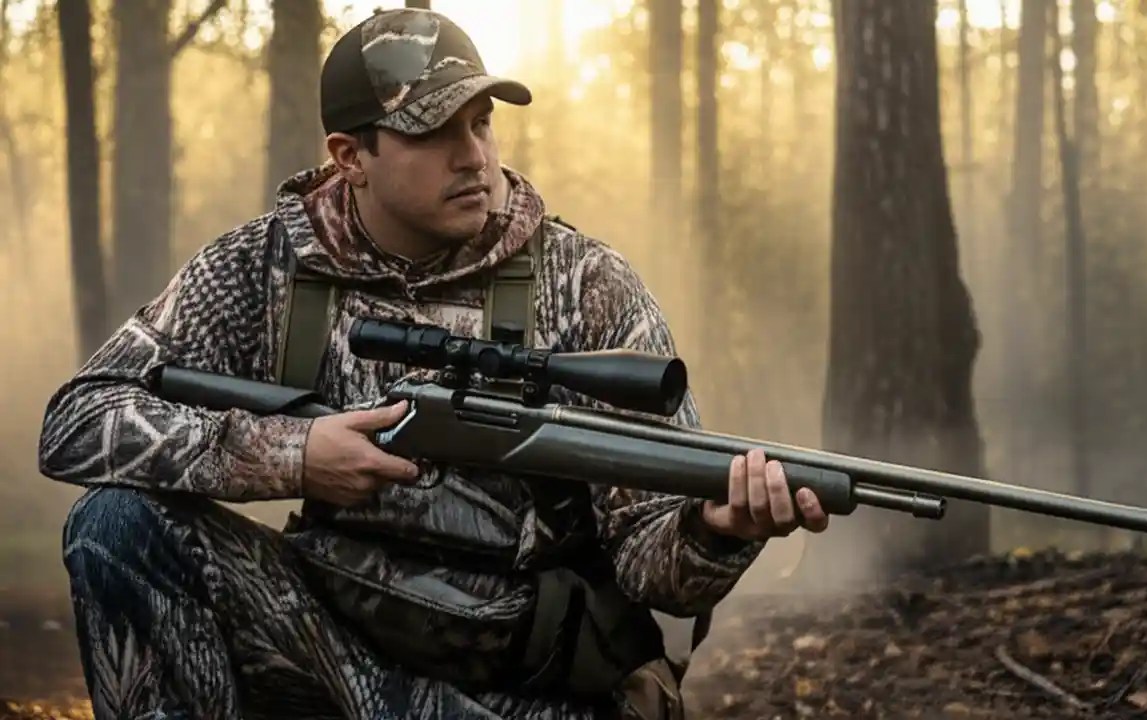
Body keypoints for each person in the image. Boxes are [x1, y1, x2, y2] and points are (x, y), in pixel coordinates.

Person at [38, 8, 830, 720]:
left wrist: (718, 530)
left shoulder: (585, 284)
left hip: (528, 687)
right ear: (350, 156)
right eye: (434, 133)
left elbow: (656, 569)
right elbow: (77, 419)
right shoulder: (264, 268)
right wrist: (295, 453)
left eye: (482, 124)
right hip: (334, 655)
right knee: (117, 524)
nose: (474, 157)